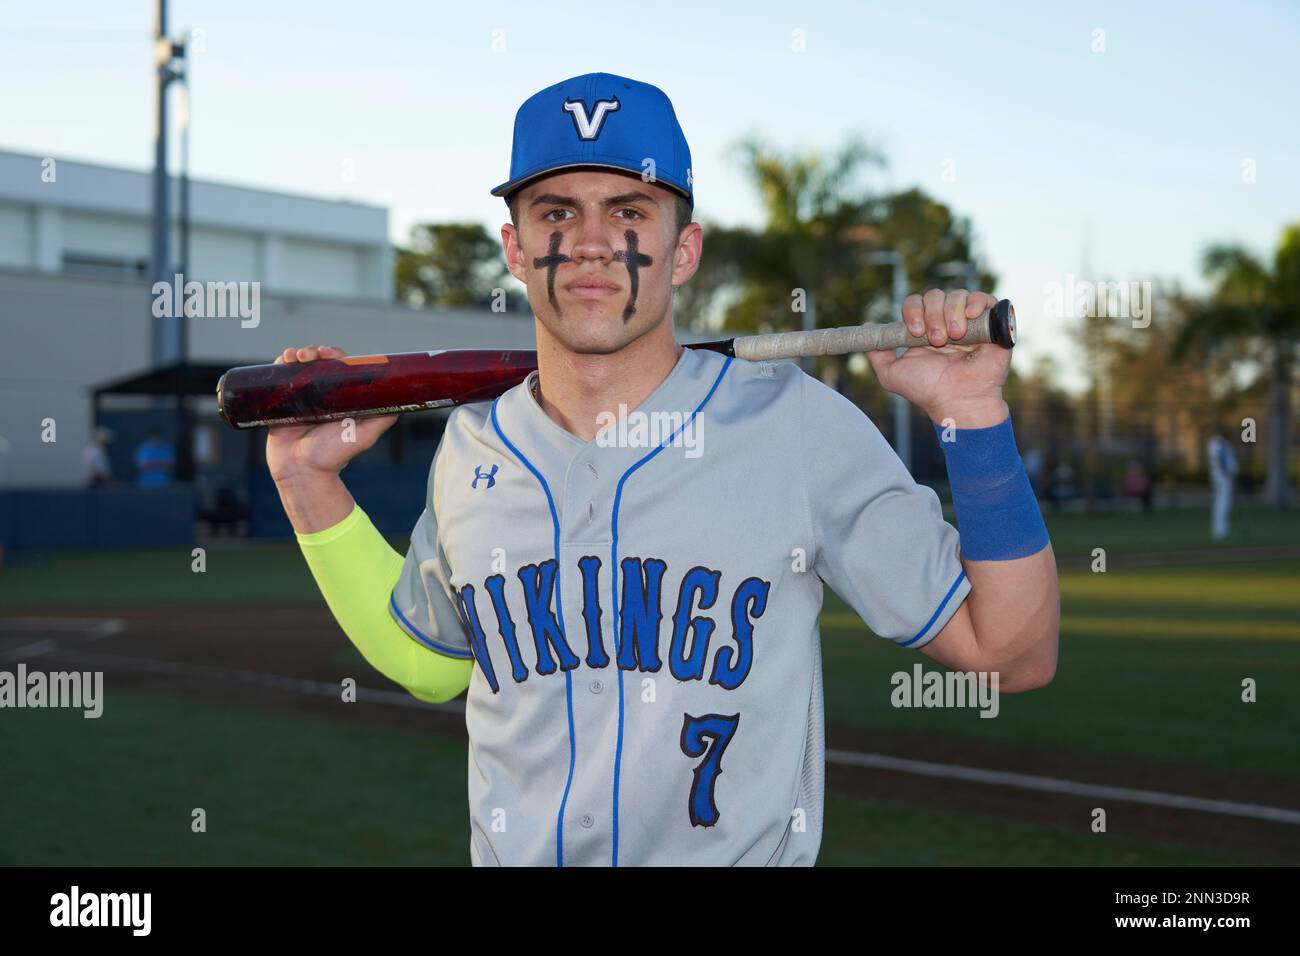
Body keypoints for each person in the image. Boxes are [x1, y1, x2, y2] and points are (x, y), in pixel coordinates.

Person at [267, 73, 1059, 866]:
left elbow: (1012, 653)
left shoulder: (794, 427)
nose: (590, 241)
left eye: (629, 212)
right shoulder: (476, 441)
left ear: (683, 251)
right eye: (556, 212)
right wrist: (308, 487)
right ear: (515, 247)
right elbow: (430, 663)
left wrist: (973, 416)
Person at [1207, 426, 1239, 539]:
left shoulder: (1222, 445)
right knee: (1222, 503)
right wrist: (1228, 474)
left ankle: (1222, 529)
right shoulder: (1217, 446)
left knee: (1223, 503)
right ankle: (1220, 530)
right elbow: (1221, 462)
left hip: (1224, 478)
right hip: (1223, 478)